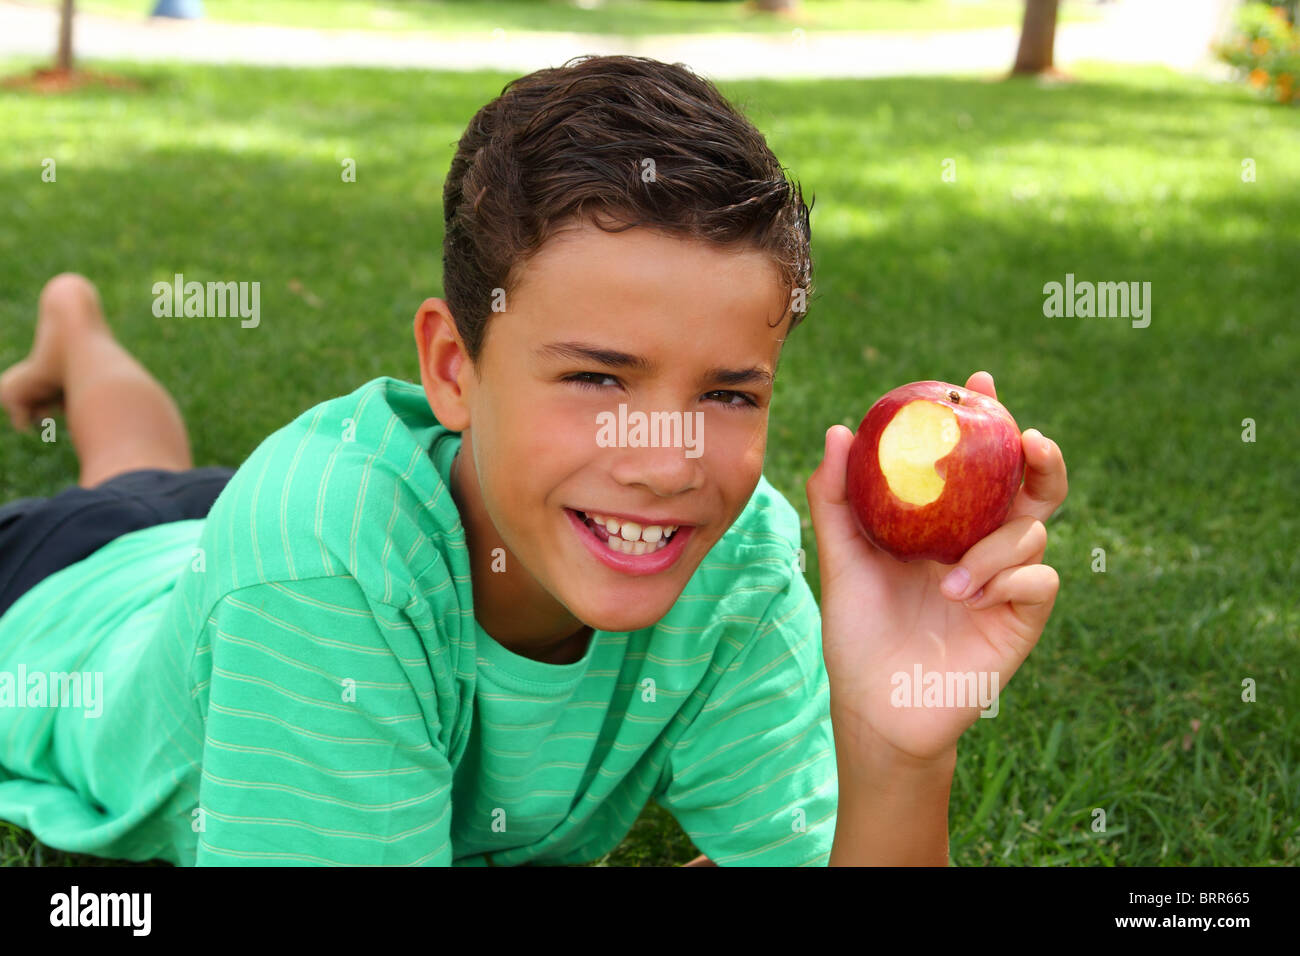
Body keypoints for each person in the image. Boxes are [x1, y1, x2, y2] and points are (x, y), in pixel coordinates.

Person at [0, 54, 1066, 867]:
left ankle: (74, 328)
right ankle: (76, 325)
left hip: (292, 521)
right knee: (117, 494)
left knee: (140, 468)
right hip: (61, 591)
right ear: (452, 370)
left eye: (726, 392)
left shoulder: (738, 560)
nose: (665, 462)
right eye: (599, 378)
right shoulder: (314, 572)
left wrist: (896, 751)